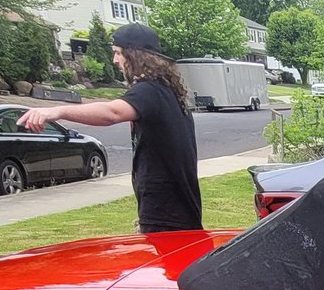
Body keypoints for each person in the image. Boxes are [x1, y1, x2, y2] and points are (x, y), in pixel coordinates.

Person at [18, 23, 203, 233]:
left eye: (117, 53)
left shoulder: (149, 91)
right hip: (175, 210)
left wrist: (56, 112)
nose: (115, 61)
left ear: (135, 55)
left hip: (166, 214)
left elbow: (111, 113)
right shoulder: (165, 91)